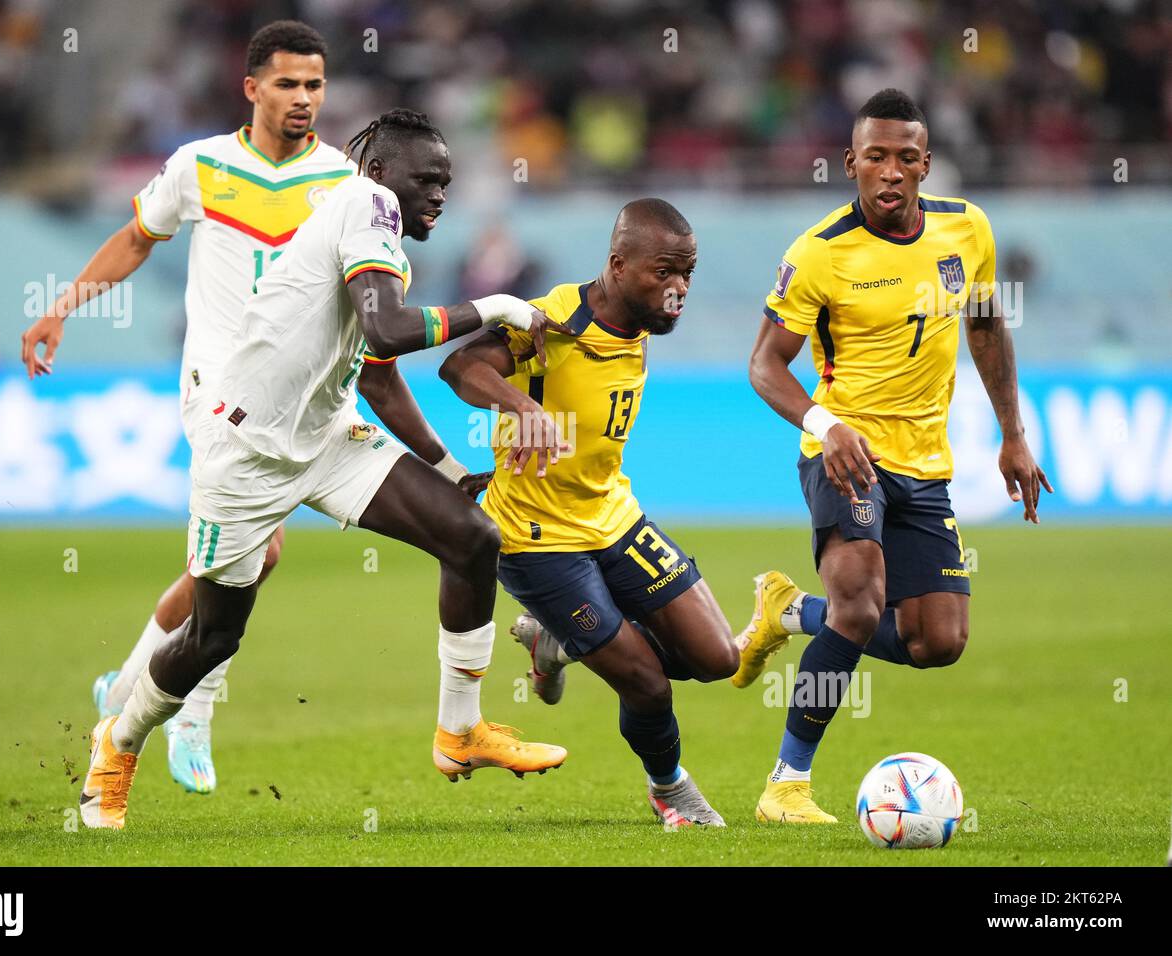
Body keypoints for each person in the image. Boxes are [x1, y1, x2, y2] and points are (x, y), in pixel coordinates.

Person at [77, 108, 575, 830]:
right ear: (379, 173)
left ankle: (459, 732)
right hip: (246, 455)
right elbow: (389, 330)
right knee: (213, 638)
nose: (440, 194)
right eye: (427, 178)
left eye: (447, 181)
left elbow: (376, 374)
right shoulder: (366, 204)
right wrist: (501, 305)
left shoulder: (376, 236)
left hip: (328, 437)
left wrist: (444, 464)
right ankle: (117, 746)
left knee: (471, 538)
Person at [20, 21, 364, 794]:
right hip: (215, 392)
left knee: (229, 562)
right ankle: (195, 710)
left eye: (314, 85)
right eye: (287, 83)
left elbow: (352, 299)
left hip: (292, 401)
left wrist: (346, 395)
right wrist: (64, 306)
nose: (304, 98)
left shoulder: (343, 181)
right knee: (257, 555)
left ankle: (129, 683)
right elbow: (138, 238)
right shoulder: (200, 165)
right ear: (252, 88)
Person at [737, 89, 1052, 824]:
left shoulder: (966, 229)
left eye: (905, 158)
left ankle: (789, 612)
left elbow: (984, 324)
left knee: (937, 643)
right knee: (860, 600)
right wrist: (825, 422)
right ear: (850, 163)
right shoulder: (818, 253)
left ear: (925, 165)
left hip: (925, 463)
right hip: (843, 453)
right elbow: (763, 365)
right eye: (874, 157)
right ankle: (786, 784)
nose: (889, 172)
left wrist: (1013, 432)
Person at [439, 199, 739, 827]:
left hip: (613, 514)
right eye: (664, 272)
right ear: (618, 265)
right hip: (535, 535)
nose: (678, 288)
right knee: (648, 684)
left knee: (718, 660)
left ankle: (560, 640)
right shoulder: (553, 319)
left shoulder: (642, 324)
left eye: (687, 272)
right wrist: (520, 407)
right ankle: (669, 789)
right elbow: (459, 365)